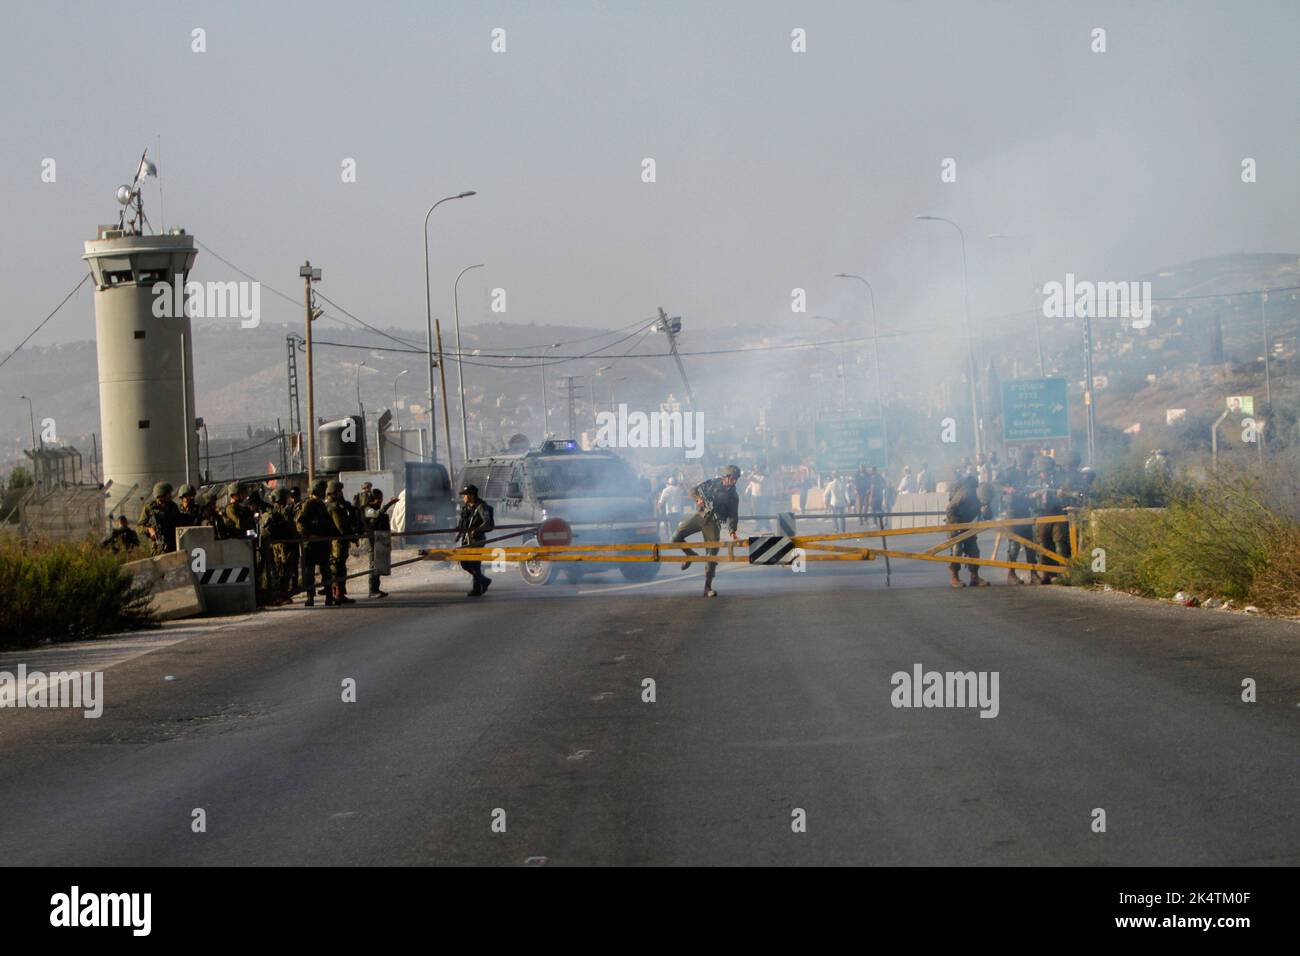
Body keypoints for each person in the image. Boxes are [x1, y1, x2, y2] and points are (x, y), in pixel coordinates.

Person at [672, 464, 740, 598]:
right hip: (700, 517)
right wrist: (698, 499)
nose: (735, 481)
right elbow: (692, 491)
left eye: (736, 479)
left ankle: (707, 587)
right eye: (733, 478)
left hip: (713, 524)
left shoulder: (733, 495)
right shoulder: (712, 483)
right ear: (725, 477)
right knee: (675, 537)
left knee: (711, 555)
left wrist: (732, 531)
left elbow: (733, 514)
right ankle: (690, 555)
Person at [1027, 455, 1068, 584]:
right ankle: (1045, 573)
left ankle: (1063, 572)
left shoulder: (1058, 480)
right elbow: (1024, 495)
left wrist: (1062, 494)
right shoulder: (1032, 481)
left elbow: (1066, 494)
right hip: (1041, 515)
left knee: (1060, 542)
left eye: (1048, 471)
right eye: (1043, 471)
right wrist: (1034, 495)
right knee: (1043, 544)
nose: (1046, 474)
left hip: (1057, 513)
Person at [946, 474, 991, 587]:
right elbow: (950, 510)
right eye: (983, 501)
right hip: (954, 523)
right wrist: (957, 527)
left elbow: (989, 516)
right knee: (957, 550)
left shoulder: (984, 497)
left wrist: (986, 512)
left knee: (974, 550)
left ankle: (974, 577)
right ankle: (954, 577)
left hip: (968, 524)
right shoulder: (965, 494)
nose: (984, 502)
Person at [296, 479, 335, 606]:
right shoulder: (308, 505)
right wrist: (310, 535)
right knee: (309, 573)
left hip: (322, 543)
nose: (324, 492)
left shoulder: (321, 505)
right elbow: (299, 523)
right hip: (311, 545)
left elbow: (328, 523)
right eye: (322, 490)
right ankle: (310, 597)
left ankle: (329, 596)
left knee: (326, 571)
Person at [996, 462, 1035, 585]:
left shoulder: (1029, 474)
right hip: (1011, 512)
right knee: (1014, 545)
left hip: (1025, 511)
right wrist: (1007, 489)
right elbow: (995, 485)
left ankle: (1033, 573)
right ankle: (1011, 574)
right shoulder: (1009, 472)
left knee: (1030, 544)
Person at [455, 483, 496, 596]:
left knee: (474, 563)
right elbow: (463, 523)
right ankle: (484, 580)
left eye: (465, 495)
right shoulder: (467, 507)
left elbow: (487, 522)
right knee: (464, 563)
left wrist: (476, 530)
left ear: (472, 495)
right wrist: (459, 534)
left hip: (477, 539)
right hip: (466, 540)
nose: (463, 497)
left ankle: (477, 589)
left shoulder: (481, 506)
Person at [260, 488, 297, 606]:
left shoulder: (271, 510)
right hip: (285, 545)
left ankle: (279, 595)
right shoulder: (284, 511)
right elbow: (290, 526)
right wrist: (296, 537)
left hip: (277, 545)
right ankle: (282, 595)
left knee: (279, 569)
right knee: (285, 570)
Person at [326, 479, 358, 605]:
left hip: (336, 542)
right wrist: (351, 537)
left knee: (337, 567)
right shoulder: (333, 507)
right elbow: (341, 527)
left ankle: (337, 593)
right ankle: (338, 593)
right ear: (334, 492)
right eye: (339, 491)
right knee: (338, 567)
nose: (341, 494)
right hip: (337, 543)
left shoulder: (335, 505)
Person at [363, 487, 398, 598]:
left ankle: (376, 588)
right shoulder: (367, 509)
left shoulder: (375, 507)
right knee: (373, 564)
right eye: (380, 498)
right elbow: (377, 514)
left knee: (379, 564)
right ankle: (372, 590)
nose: (381, 500)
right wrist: (389, 504)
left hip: (380, 539)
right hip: (372, 541)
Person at [138, 482, 181, 555]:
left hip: (172, 545)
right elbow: (139, 527)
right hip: (156, 547)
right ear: (162, 495)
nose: (170, 496)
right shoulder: (149, 508)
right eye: (168, 494)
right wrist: (149, 530)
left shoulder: (173, 507)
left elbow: (179, 525)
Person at [745, 464, 773, 531]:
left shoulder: (764, 477)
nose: (755, 470)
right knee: (755, 512)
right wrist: (746, 491)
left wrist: (753, 474)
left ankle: (766, 525)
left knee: (764, 512)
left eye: (756, 468)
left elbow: (758, 482)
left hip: (762, 497)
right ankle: (759, 525)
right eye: (754, 468)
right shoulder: (753, 476)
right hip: (754, 496)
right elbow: (750, 483)